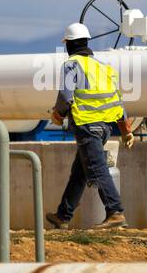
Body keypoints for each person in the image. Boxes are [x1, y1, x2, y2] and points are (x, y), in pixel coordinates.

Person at [46, 22, 133, 229]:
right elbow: (118, 102)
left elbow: (66, 97)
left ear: (69, 44)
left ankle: (115, 211)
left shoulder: (71, 65)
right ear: (86, 42)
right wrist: (125, 131)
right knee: (80, 172)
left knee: (97, 169)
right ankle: (63, 216)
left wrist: (58, 115)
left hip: (87, 126)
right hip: (104, 128)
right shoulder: (103, 68)